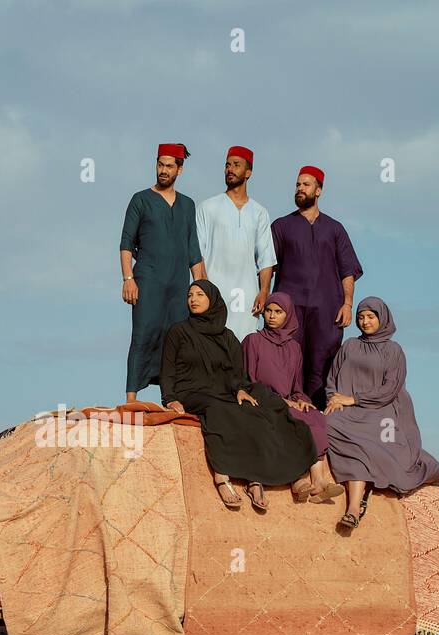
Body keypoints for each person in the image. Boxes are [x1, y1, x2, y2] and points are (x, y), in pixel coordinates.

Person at [160, 280, 317, 511]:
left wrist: (240, 389)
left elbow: (237, 374)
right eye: (190, 295)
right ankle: (222, 476)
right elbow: (167, 370)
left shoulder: (227, 337)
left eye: (200, 295)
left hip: (225, 390)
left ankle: (258, 479)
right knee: (219, 410)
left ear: (212, 299)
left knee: (261, 404)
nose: (193, 299)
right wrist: (170, 398)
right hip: (191, 392)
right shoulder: (178, 332)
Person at [323, 295, 439, 530]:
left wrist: (354, 399)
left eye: (370, 317)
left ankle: (353, 509)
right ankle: (355, 506)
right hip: (347, 409)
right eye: (360, 317)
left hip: (382, 410)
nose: (365, 322)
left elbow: (390, 388)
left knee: (370, 440)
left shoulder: (393, 350)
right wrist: (333, 399)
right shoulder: (350, 345)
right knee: (329, 424)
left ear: (382, 318)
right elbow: (332, 378)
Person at [270, 165, 363, 409]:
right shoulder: (281, 226)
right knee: (289, 359)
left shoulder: (335, 229)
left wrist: (348, 303)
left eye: (306, 185)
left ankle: (320, 419)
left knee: (323, 363)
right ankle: (290, 414)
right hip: (290, 310)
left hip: (327, 309)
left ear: (318, 190)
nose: (300, 188)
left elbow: (348, 270)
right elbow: (268, 267)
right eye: (297, 185)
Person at [120, 144, 206, 403]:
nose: (163, 170)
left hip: (178, 286)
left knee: (175, 340)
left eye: (169, 166)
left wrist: (204, 290)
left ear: (180, 169)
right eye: (160, 164)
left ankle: (170, 397)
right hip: (147, 281)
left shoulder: (188, 205)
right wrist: (128, 279)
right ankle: (131, 399)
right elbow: (126, 243)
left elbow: (194, 252)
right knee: (143, 333)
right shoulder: (141, 200)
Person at [242, 291, 344, 502]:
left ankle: (319, 481)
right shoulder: (253, 341)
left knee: (314, 417)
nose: (271, 316)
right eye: (269, 311)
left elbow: (296, 386)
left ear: (288, 315)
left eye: (278, 312)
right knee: (293, 421)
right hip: (264, 401)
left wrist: (302, 400)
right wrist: (280, 400)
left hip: (288, 401)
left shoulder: (294, 348)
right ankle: (299, 478)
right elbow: (248, 381)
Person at [194, 146, 276, 341]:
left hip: (246, 296)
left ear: (248, 172)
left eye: (236, 165)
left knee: (244, 349)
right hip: (215, 291)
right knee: (212, 346)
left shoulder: (259, 212)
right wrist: (205, 291)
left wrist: (264, 292)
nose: (230, 169)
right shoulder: (208, 207)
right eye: (227, 165)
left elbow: (266, 259)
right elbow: (198, 254)